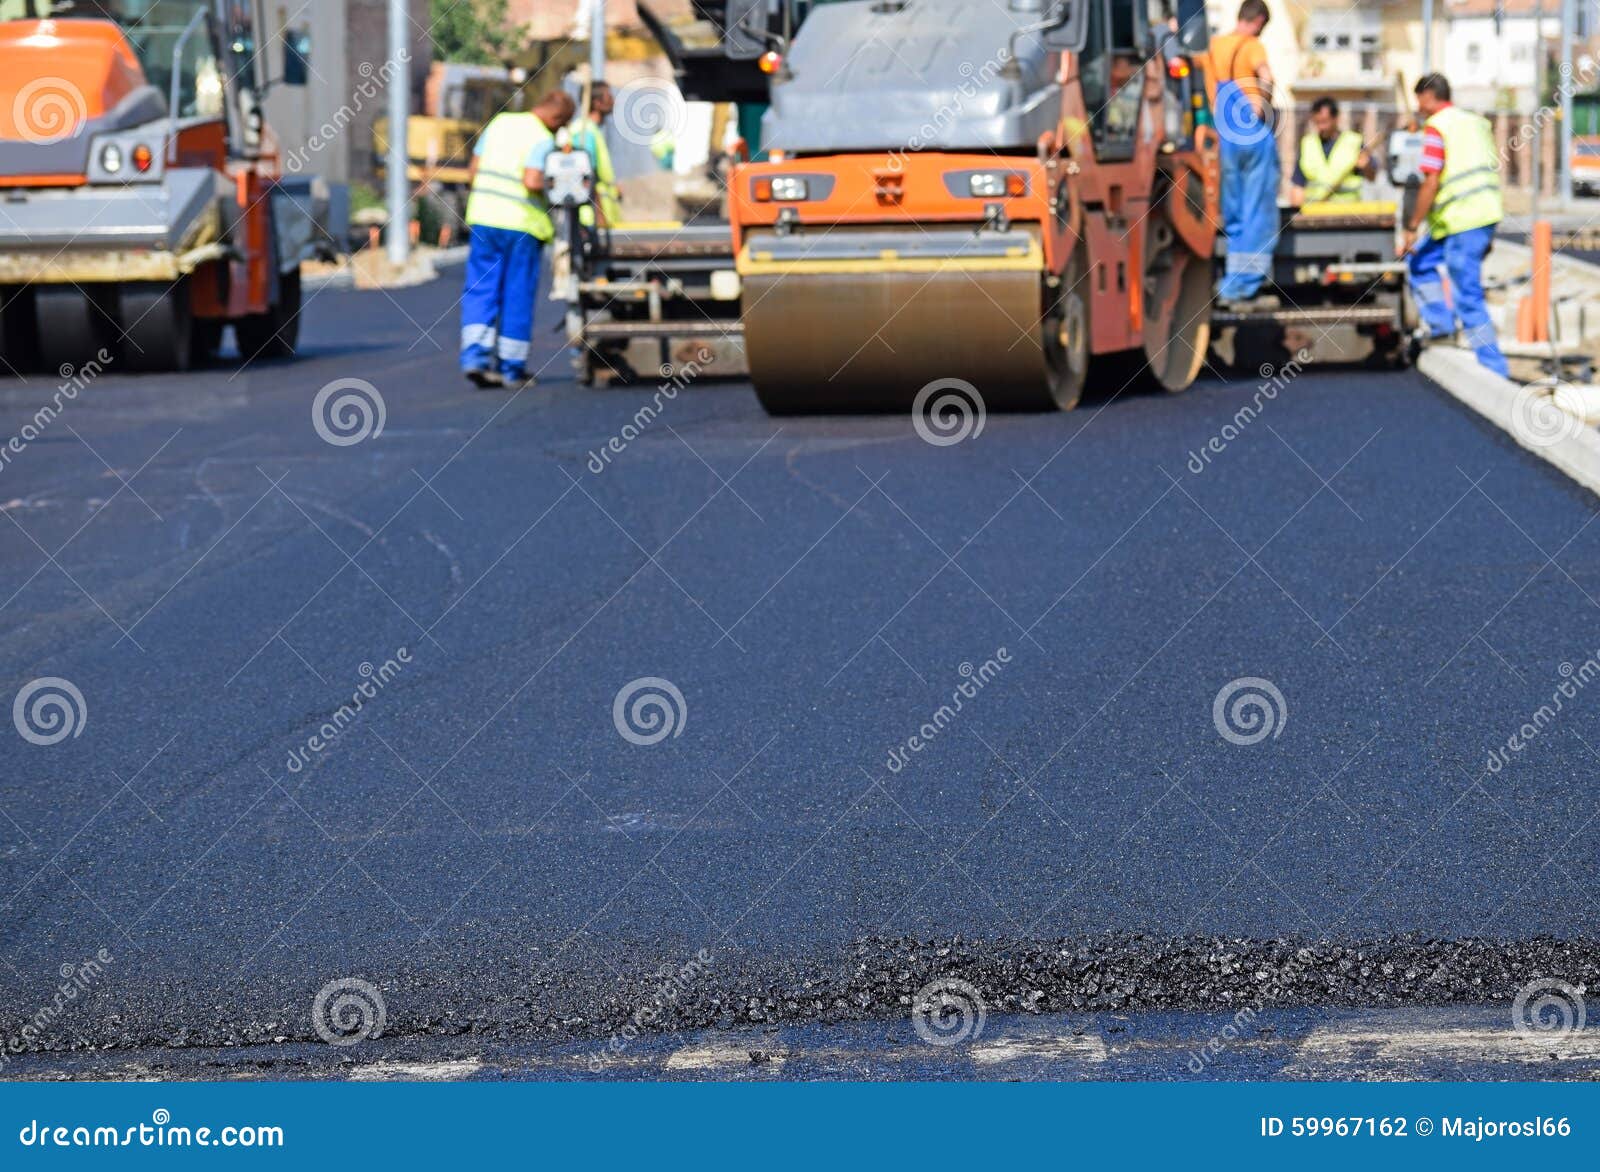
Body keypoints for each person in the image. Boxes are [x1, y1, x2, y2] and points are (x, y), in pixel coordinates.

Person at [459, 89, 576, 389]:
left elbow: (473, 171)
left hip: (483, 218)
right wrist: (558, 185)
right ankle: (511, 368)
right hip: (521, 225)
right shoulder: (542, 138)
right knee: (517, 294)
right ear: (556, 119)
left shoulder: (500, 123)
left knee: (480, 288)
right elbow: (532, 179)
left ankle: (475, 357)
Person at [1400, 73, 1509, 377]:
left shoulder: (1437, 127)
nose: (1417, 107)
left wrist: (1412, 226)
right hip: (1480, 215)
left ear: (1428, 96)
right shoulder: (1475, 122)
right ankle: (1442, 328)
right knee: (1420, 262)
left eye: (1419, 100)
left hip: (1463, 220)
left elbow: (1431, 181)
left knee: (1467, 295)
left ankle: (1493, 369)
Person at [1207, 0, 1278, 304]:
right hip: (1250, 133)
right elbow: (1267, 77)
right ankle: (1245, 284)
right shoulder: (1252, 46)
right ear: (1258, 20)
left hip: (1223, 135)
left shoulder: (1213, 45)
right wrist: (1261, 106)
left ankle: (1231, 283)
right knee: (1257, 211)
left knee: (1233, 211)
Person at [1291, 96, 1374, 206]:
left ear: (1336, 119)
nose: (1321, 127)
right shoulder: (1307, 143)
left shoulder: (1354, 142)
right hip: (1315, 211)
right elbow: (1298, 185)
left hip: (1348, 211)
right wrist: (1297, 211)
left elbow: (1372, 176)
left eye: (1324, 122)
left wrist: (1366, 166)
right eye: (1317, 122)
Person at [573, 81, 623, 229]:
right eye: (609, 96)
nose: (613, 101)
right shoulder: (585, 132)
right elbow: (586, 177)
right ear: (596, 103)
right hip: (590, 220)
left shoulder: (591, 130)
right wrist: (599, 216)